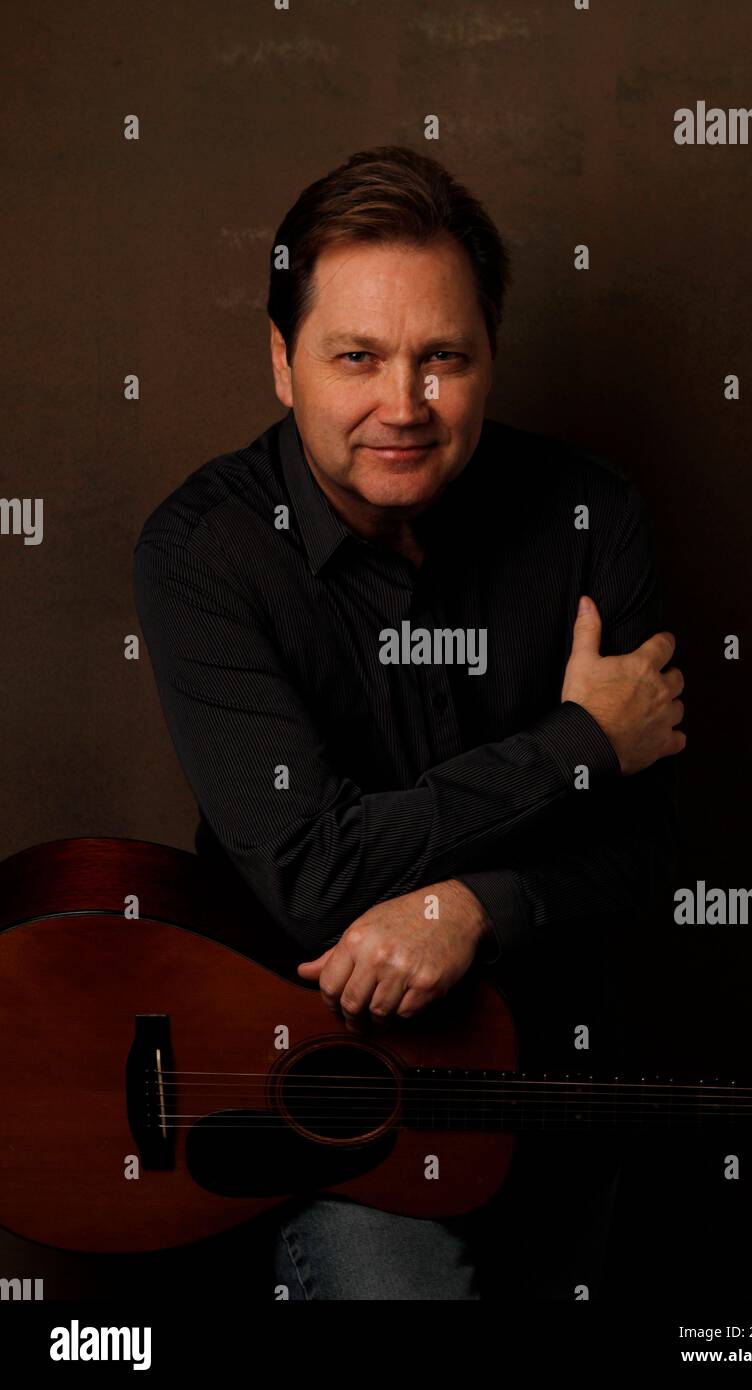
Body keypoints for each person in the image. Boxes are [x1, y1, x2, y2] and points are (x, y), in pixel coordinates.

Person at [133, 144, 685, 1300]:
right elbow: (313, 870)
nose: (403, 405)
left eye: (443, 357)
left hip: (554, 1061)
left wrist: (471, 906)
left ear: (490, 358)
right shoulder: (205, 554)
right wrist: (579, 747)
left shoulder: (592, 517)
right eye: (357, 357)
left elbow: (652, 849)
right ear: (283, 364)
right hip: (314, 1075)